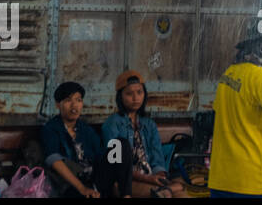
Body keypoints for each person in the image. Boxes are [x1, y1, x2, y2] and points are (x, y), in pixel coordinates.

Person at [208, 16, 262, 198]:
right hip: (253, 184)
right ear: (261, 43)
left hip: (222, 180)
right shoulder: (260, 76)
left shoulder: (230, 73)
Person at [102, 70, 186, 198]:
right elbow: (116, 164)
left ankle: (166, 190)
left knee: (183, 191)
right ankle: (166, 191)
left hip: (151, 178)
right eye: (129, 94)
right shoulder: (112, 124)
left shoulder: (149, 124)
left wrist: (160, 177)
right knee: (172, 192)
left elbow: (157, 158)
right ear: (120, 96)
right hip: (126, 182)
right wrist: (149, 179)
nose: (135, 98)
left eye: (139, 92)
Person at [41, 81, 131, 198]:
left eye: (78, 100)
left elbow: (101, 156)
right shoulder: (51, 129)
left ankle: (126, 196)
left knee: (120, 144)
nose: (74, 105)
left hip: (94, 180)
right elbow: (54, 161)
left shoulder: (85, 129)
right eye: (68, 100)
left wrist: (113, 177)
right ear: (58, 104)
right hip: (70, 185)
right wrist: (82, 188)